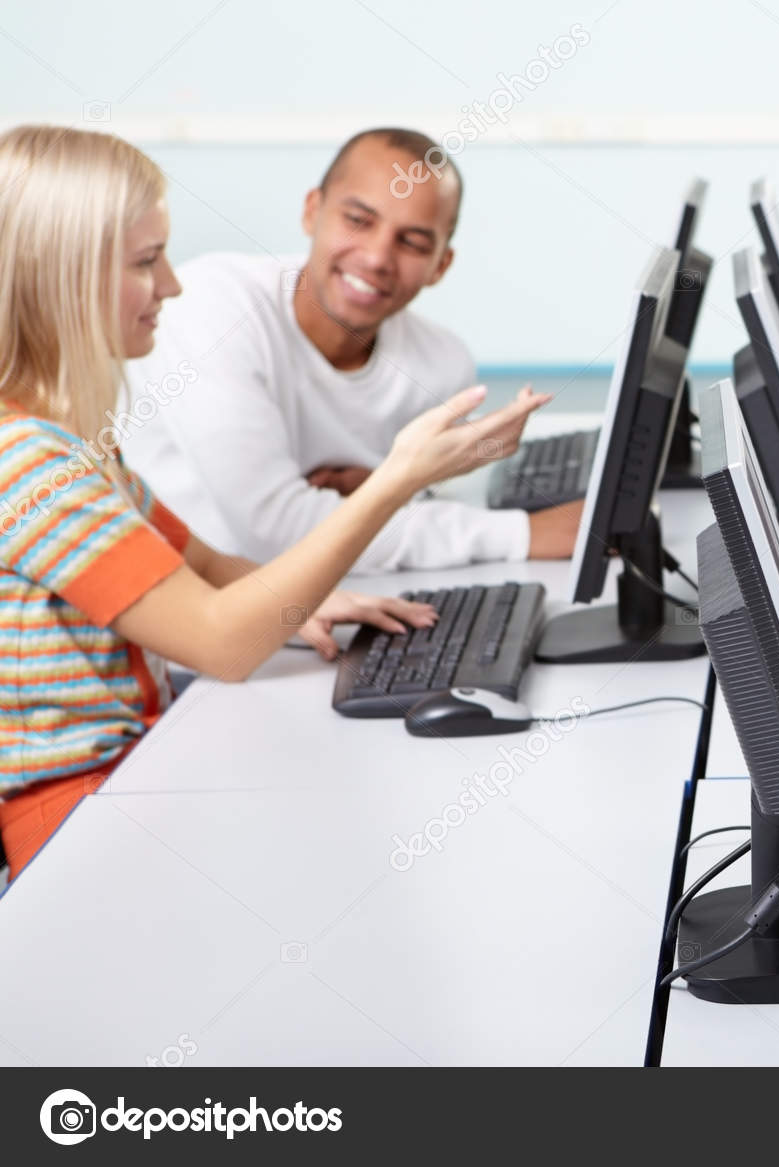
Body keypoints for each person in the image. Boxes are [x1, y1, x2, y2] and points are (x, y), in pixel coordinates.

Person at [0, 126, 545, 878]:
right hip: (72, 818)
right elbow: (225, 645)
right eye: (146, 261)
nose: (172, 285)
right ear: (63, 274)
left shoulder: (66, 436)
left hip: (132, 763)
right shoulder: (28, 463)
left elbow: (200, 559)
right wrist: (394, 481)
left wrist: (308, 602)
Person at [120, 128, 579, 572]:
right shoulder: (212, 304)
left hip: (309, 607)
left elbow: (362, 527)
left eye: (413, 243)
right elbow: (275, 532)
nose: (378, 257)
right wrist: (519, 533)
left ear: (441, 265)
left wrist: (383, 487)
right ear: (311, 211)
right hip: (184, 618)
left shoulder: (441, 364)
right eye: (358, 221)